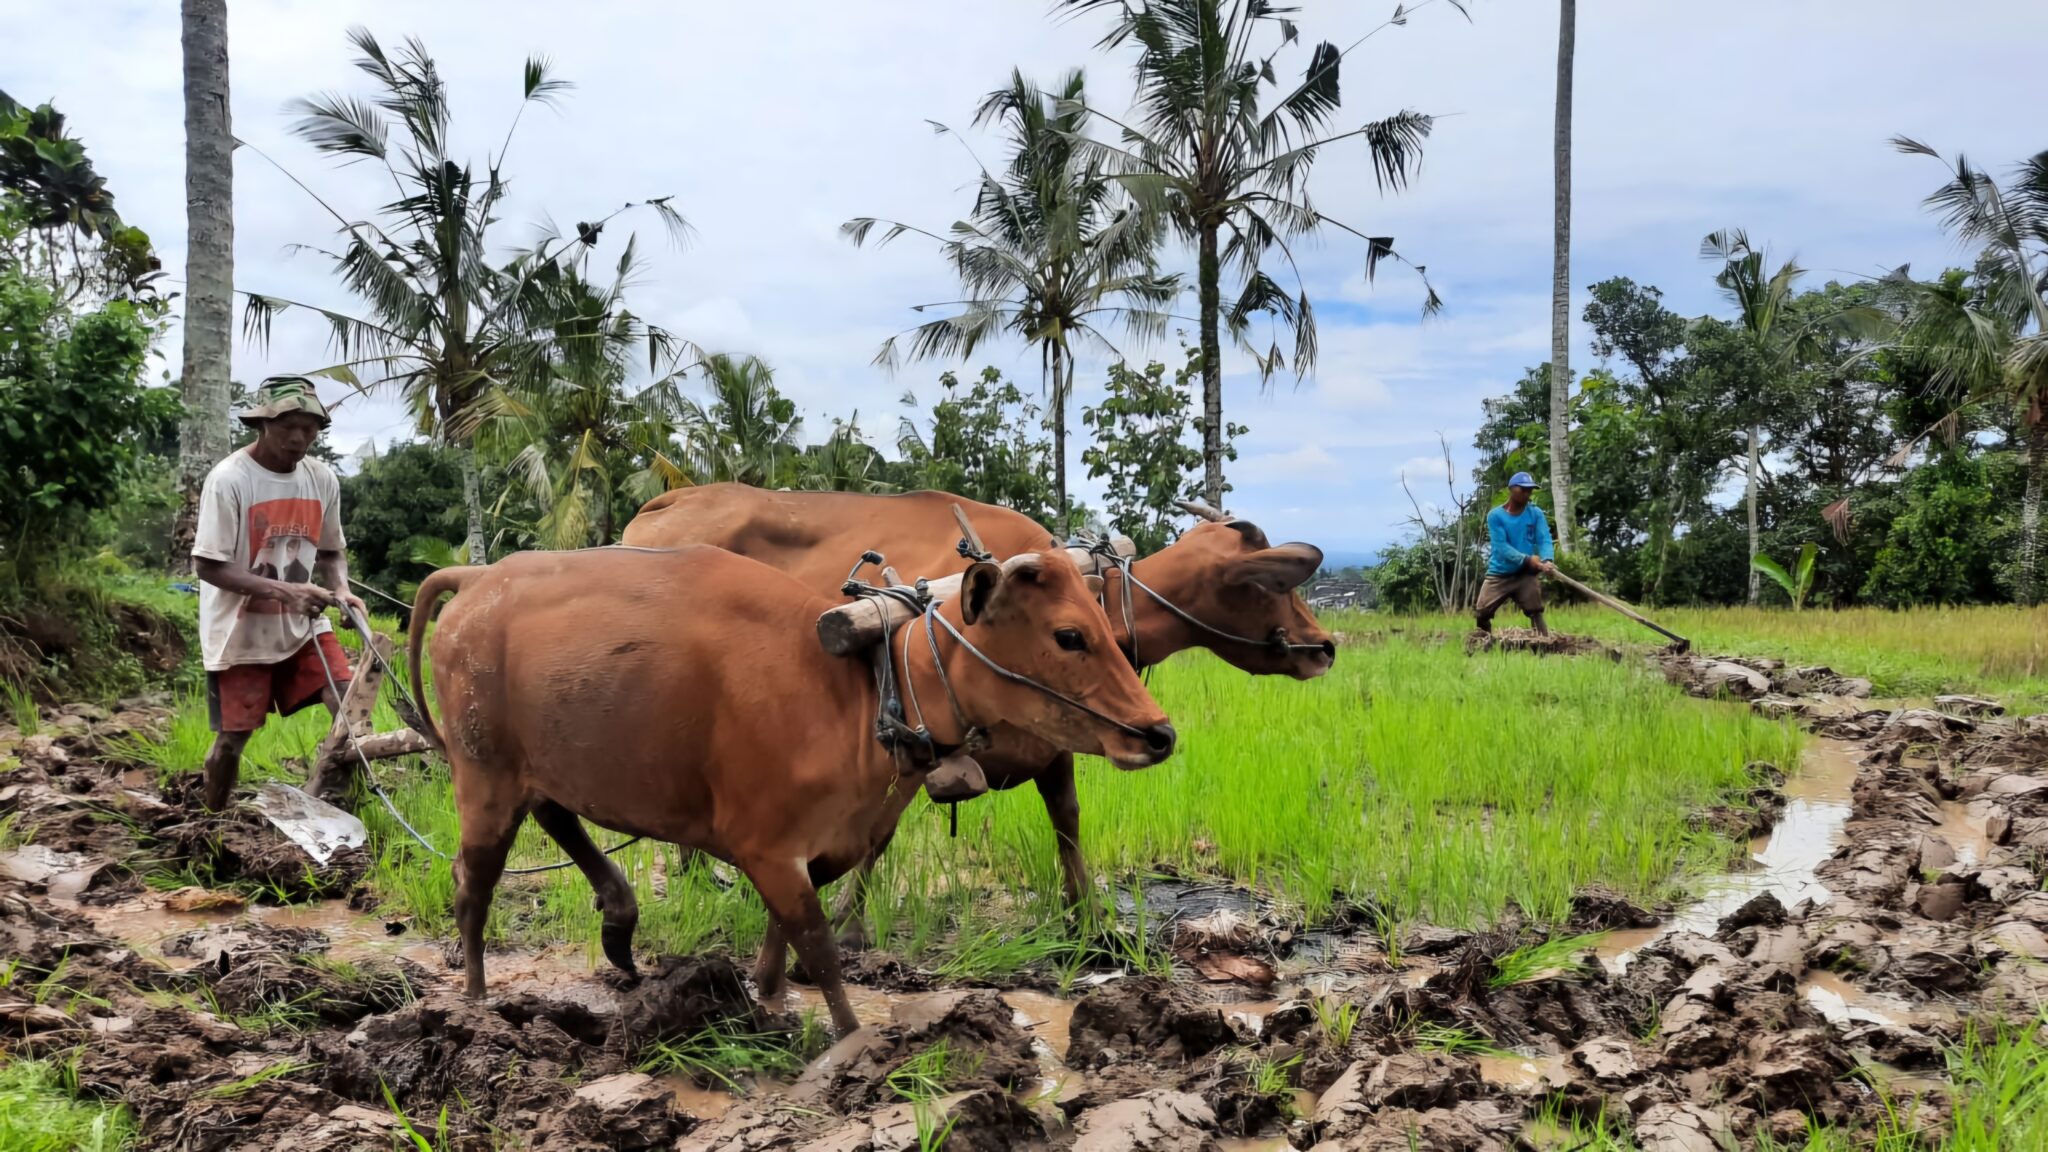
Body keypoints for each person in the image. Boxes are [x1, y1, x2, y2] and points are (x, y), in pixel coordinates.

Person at [191, 376, 367, 811]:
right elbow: (207, 564)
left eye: (309, 428)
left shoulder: (321, 478)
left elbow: (331, 549)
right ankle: (210, 821)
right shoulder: (230, 480)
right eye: (288, 425)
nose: (299, 437)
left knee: (351, 705)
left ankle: (334, 799)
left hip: (302, 625)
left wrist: (342, 588)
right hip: (239, 634)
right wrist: (287, 591)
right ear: (262, 424)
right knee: (232, 740)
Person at [1475, 471, 1555, 636]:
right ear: (1512, 489)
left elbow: (1544, 539)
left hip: (1525, 574)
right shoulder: (1495, 516)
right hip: (1500, 573)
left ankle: (1543, 645)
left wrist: (1547, 560)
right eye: (1523, 489)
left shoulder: (1535, 513)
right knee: (1482, 611)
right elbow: (1502, 547)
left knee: (1535, 610)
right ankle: (1483, 641)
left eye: (1530, 490)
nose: (1527, 493)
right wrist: (1526, 559)